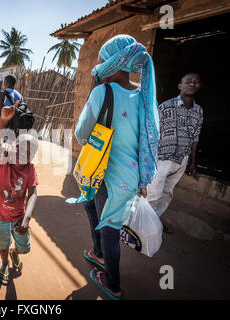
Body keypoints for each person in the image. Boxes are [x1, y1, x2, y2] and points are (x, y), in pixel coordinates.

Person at [73, 35, 159, 300]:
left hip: (104, 175)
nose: (98, 66)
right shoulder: (144, 94)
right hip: (132, 178)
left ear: (112, 62)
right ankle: (98, 252)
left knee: (109, 228)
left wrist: (93, 89)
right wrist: (143, 180)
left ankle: (113, 283)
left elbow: (80, 135)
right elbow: (149, 138)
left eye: (101, 61)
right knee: (91, 206)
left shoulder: (102, 92)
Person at [147, 73, 203, 233]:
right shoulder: (166, 106)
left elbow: (195, 136)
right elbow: (153, 131)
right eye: (188, 81)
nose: (192, 84)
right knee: (153, 194)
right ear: (180, 86)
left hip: (182, 159)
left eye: (196, 82)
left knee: (167, 194)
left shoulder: (198, 111)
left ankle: (153, 223)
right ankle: (141, 226)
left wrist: (192, 161)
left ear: (199, 87)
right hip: (162, 157)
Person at [0, 104, 38, 285]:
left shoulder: (30, 170)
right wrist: (3, 120)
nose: (19, 153)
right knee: (2, 245)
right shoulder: (1, 159)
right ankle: (4, 262)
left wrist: (26, 219)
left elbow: (33, 194)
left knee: (24, 248)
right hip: (0, 217)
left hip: (19, 219)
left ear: (32, 157)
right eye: (17, 147)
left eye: (27, 152)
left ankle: (14, 254)